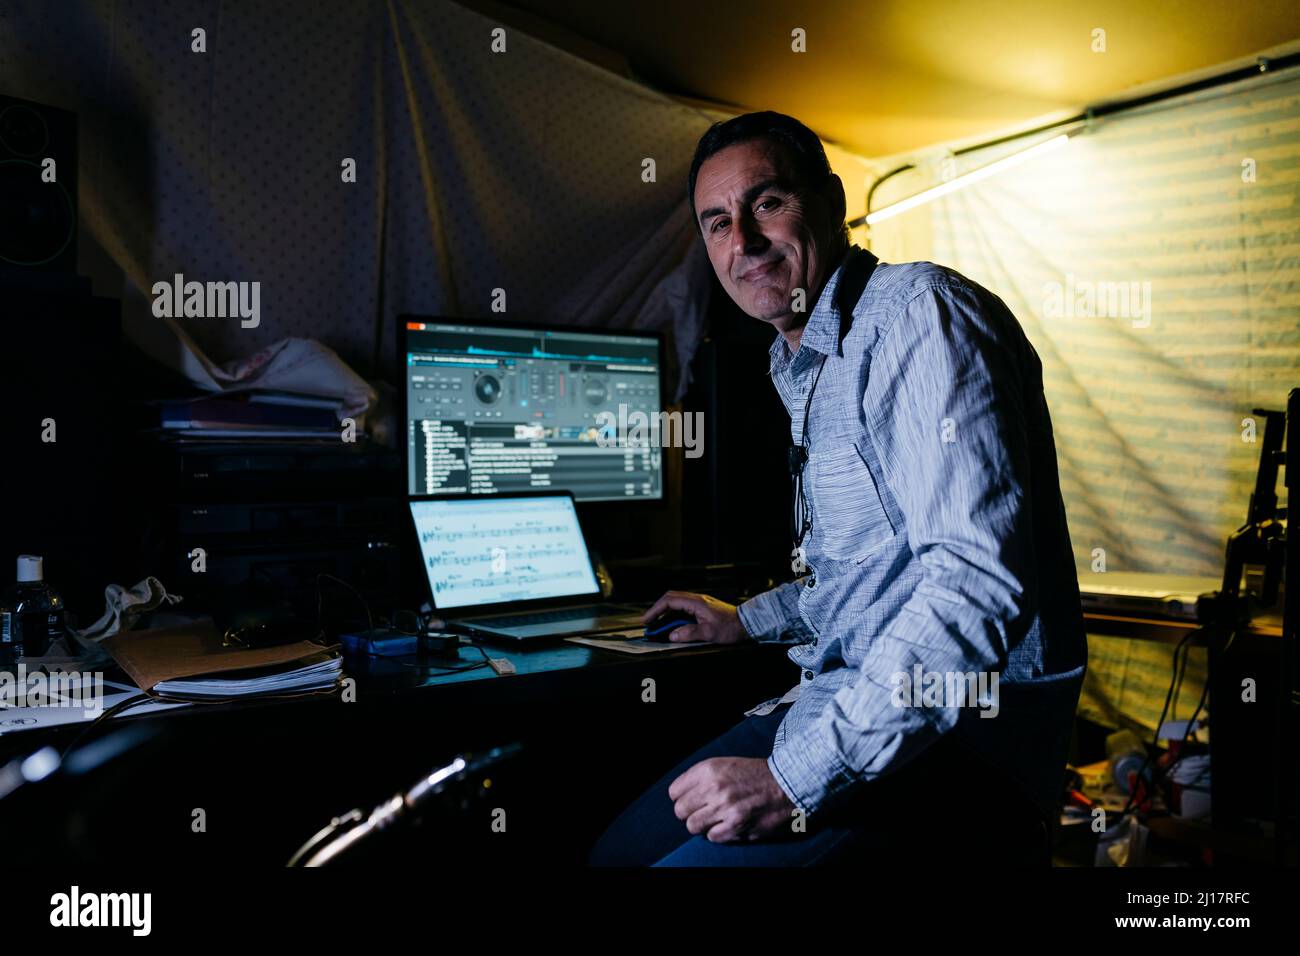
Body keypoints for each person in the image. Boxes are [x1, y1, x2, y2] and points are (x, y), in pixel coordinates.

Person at [588, 111, 1087, 866]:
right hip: (839, 704)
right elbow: (871, 576)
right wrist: (746, 622)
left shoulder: (921, 316)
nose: (743, 244)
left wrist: (791, 782)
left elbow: (975, 583)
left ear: (831, 199)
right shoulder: (805, 364)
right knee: (614, 857)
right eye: (717, 223)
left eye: (766, 204)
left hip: (966, 745)